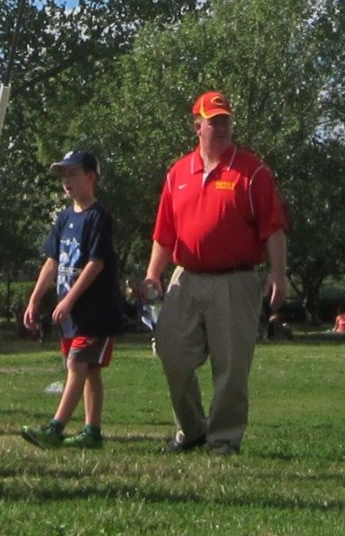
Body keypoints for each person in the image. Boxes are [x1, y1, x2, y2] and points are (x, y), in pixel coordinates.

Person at [144, 90, 290, 457]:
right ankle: (192, 429)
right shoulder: (178, 172)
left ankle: (224, 439)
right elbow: (164, 233)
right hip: (186, 277)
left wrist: (278, 272)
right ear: (198, 126)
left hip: (235, 280)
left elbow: (272, 227)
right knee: (170, 351)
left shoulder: (252, 171)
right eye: (214, 121)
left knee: (231, 366)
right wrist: (152, 276)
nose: (222, 127)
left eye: (226, 120)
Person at [21, 150, 121, 450]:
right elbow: (52, 262)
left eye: (73, 173)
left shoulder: (98, 217)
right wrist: (35, 300)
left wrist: (68, 300)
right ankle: (92, 432)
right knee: (89, 371)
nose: (66, 180)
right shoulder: (64, 218)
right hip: (72, 315)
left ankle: (56, 427)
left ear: (91, 178)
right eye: (63, 175)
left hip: (96, 311)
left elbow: (96, 263)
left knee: (77, 364)